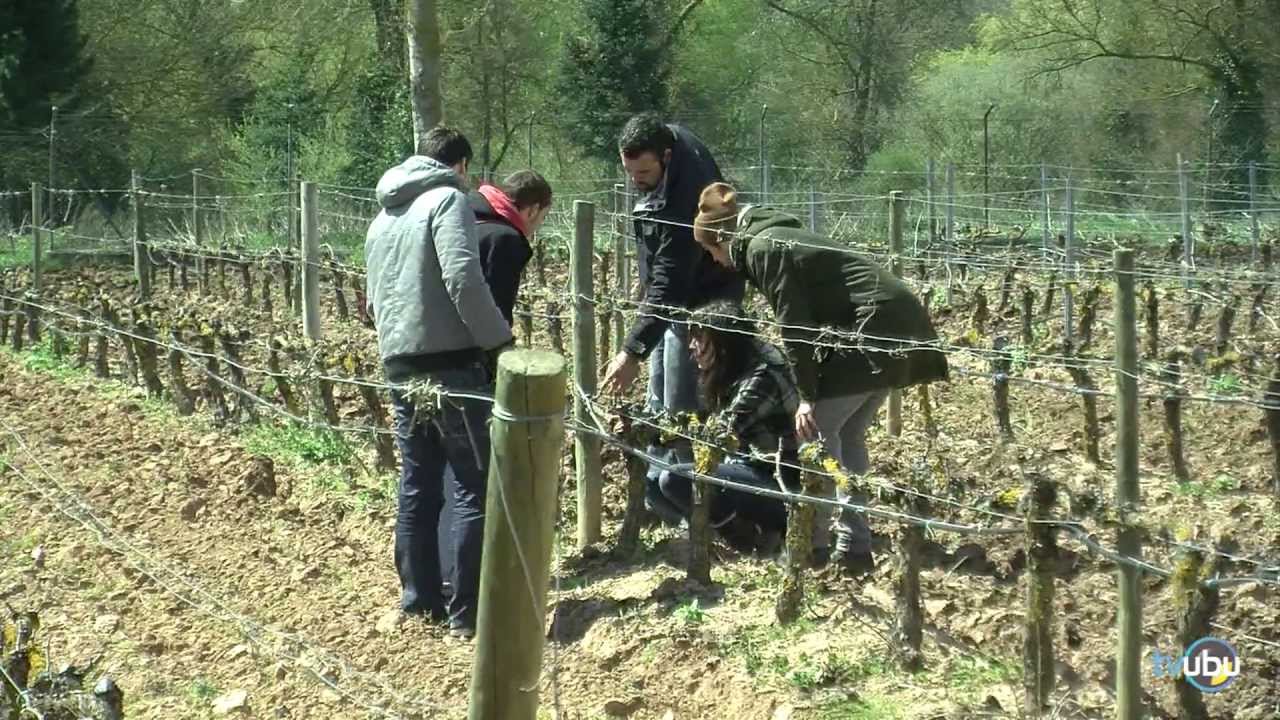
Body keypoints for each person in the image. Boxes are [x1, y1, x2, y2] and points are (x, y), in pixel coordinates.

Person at [690, 182, 948, 576]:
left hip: (874, 328)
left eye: (712, 251)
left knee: (814, 437)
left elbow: (794, 324)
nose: (718, 261)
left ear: (723, 237)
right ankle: (855, 547)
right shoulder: (774, 234)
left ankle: (812, 546)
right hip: (896, 323)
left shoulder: (762, 247)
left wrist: (807, 395)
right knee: (848, 436)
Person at [365, 126, 513, 638]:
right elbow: (463, 279)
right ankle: (467, 614)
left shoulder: (383, 216)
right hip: (451, 364)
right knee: (473, 483)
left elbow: (372, 302)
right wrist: (500, 343)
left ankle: (418, 601)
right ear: (461, 165)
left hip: (399, 364)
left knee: (418, 482)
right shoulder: (448, 200)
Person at [600, 113, 744, 521]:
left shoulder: (686, 197)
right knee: (658, 397)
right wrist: (646, 283)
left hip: (703, 304)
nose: (636, 181)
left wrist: (631, 352)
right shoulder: (667, 144)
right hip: (674, 299)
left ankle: (690, 509)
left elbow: (671, 282)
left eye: (644, 173)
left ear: (665, 156)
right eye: (629, 172)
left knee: (682, 406)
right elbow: (658, 264)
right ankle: (659, 499)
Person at [655, 300, 796, 554]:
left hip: (778, 484)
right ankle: (725, 533)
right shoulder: (737, 364)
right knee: (655, 485)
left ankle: (746, 543)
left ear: (722, 343)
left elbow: (720, 432)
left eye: (699, 338)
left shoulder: (762, 378)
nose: (691, 346)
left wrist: (659, 435)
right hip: (746, 468)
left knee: (674, 479)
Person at [469, 170, 553, 327]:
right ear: (533, 211)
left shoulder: (463, 214)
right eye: (543, 217)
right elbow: (497, 309)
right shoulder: (506, 241)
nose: (539, 226)